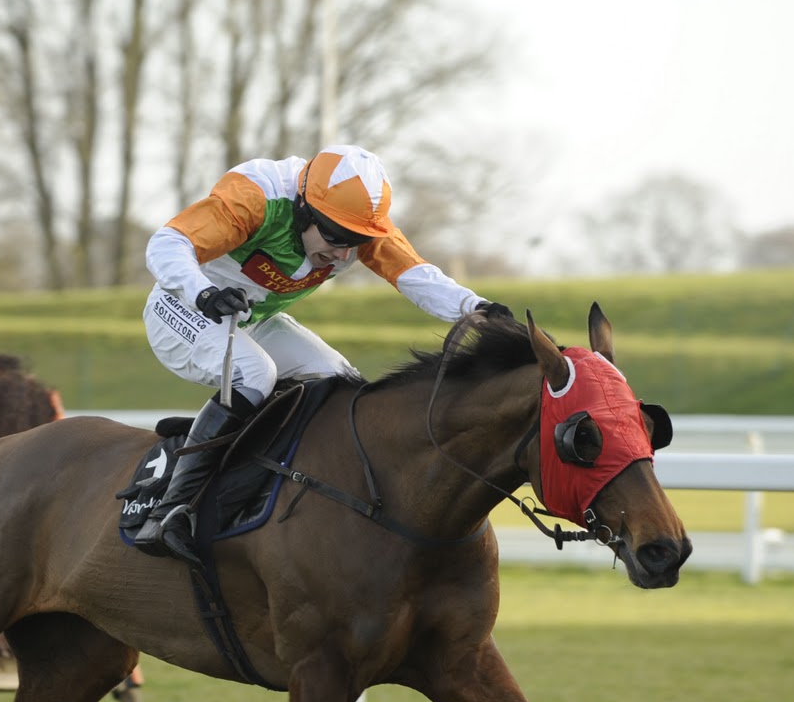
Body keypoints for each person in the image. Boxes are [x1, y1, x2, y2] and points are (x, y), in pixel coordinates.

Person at [133, 144, 511, 563]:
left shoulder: (352, 221)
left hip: (248, 320)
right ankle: (171, 511)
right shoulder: (255, 194)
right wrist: (201, 291)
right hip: (182, 307)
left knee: (338, 380)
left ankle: (288, 492)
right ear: (301, 207)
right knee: (255, 372)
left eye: (357, 242)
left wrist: (474, 308)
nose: (344, 254)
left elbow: (414, 273)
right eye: (335, 237)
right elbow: (167, 242)